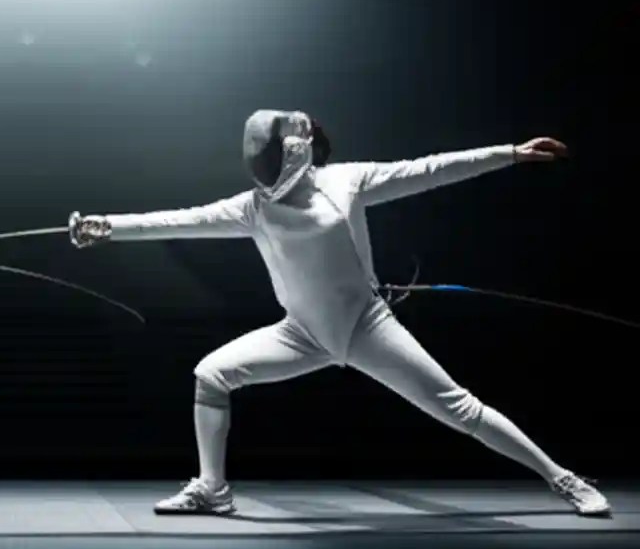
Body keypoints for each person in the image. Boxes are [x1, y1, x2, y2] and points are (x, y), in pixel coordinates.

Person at [68, 110, 610, 517]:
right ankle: (213, 489)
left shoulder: (348, 181)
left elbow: (431, 170)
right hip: (301, 333)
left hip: (367, 328)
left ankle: (564, 479)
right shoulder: (252, 208)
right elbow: (177, 221)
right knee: (211, 374)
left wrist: (510, 152)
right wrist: (106, 226)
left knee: (461, 410)